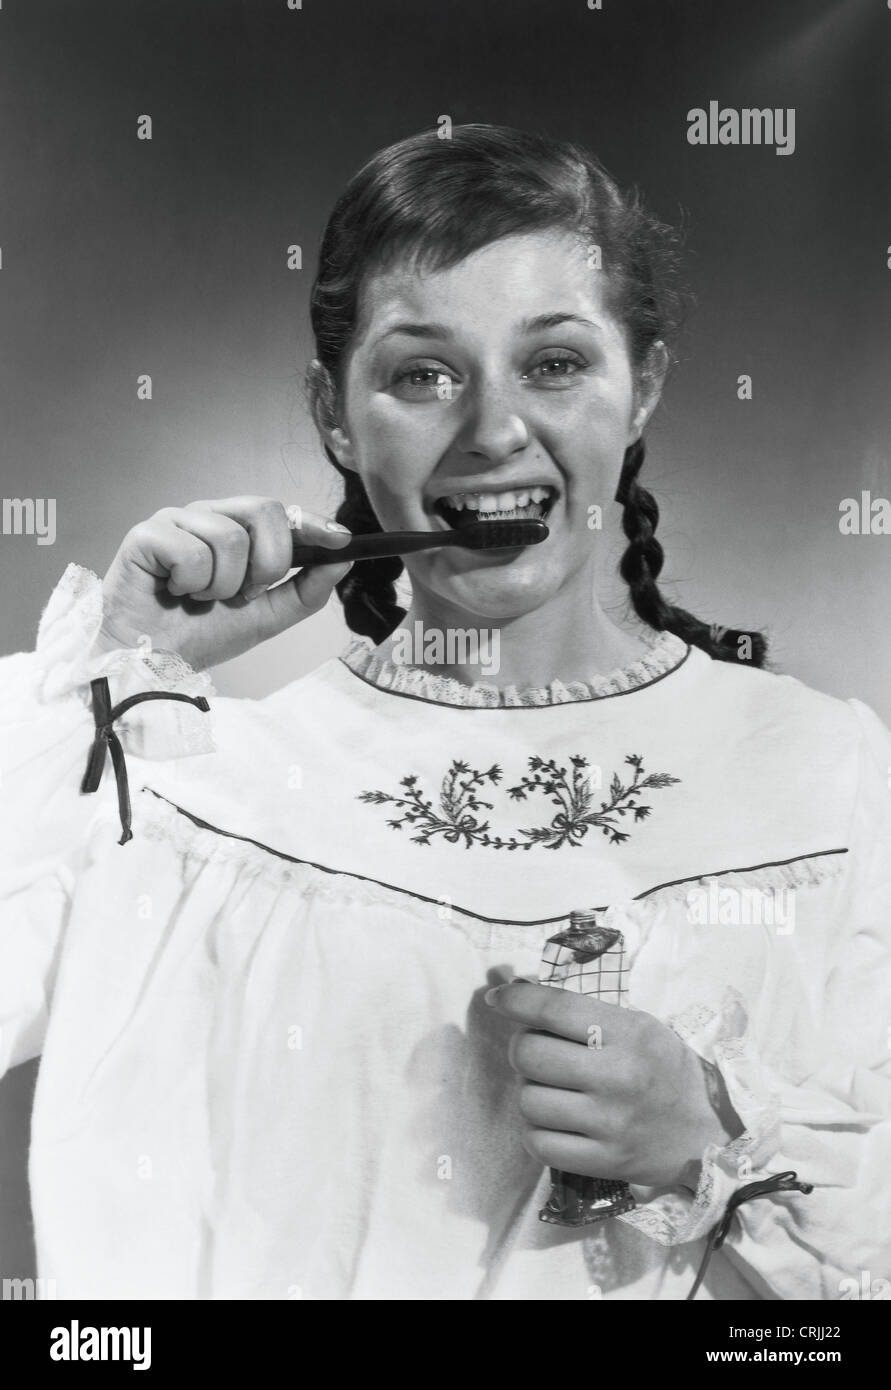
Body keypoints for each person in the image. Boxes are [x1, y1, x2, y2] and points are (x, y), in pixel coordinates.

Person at [1, 124, 889, 1301]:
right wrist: (109, 682)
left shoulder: (826, 777)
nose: (491, 430)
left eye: (556, 363)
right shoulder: (184, 792)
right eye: (423, 373)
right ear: (333, 411)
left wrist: (712, 1143)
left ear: (646, 389)